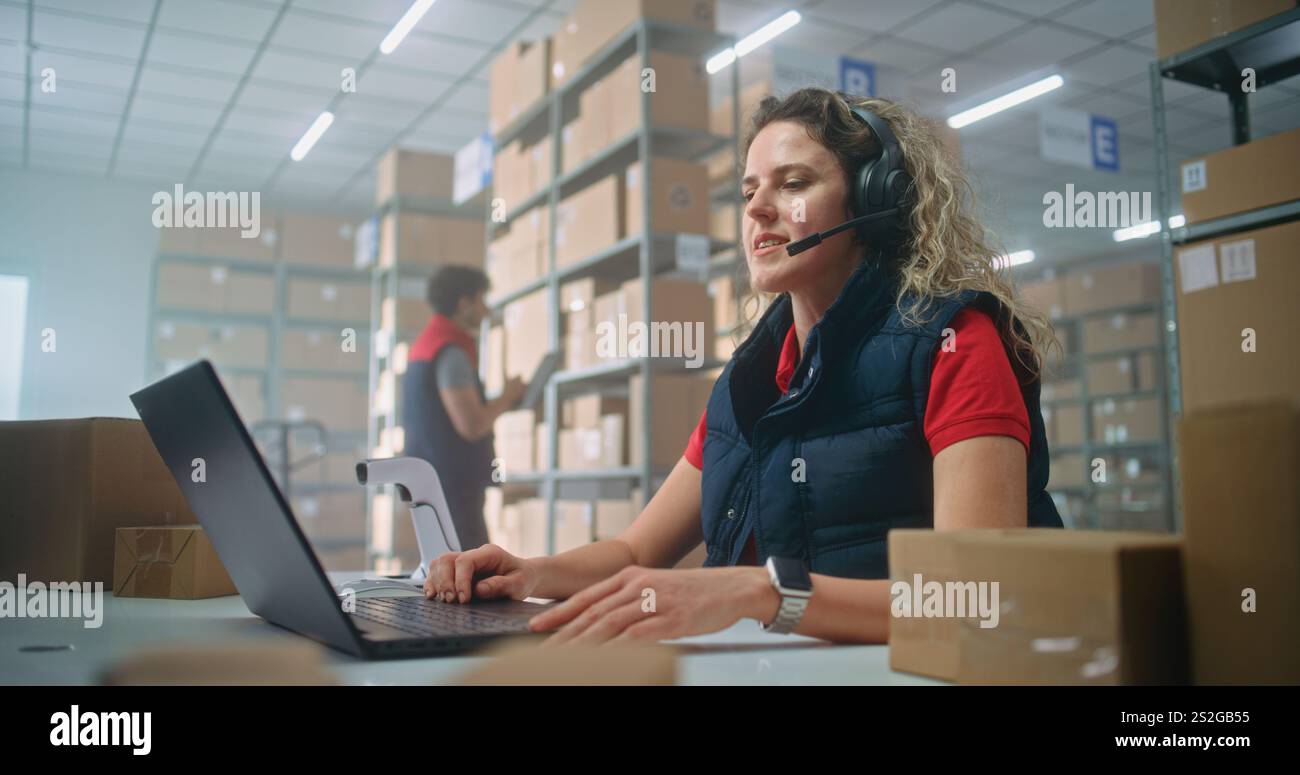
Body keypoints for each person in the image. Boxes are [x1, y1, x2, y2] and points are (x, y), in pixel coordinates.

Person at [422, 88, 1064, 644]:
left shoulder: (954, 341)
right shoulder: (749, 380)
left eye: (793, 184)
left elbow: (974, 599)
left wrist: (762, 595)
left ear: (876, 202)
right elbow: (635, 551)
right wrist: (529, 572)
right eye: (751, 189)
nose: (757, 209)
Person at [401, 266, 526, 550]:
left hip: (434, 483)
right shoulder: (451, 350)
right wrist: (508, 397)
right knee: (472, 573)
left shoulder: (426, 344)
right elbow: (471, 425)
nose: (485, 310)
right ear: (464, 302)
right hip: (453, 488)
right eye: (482, 299)